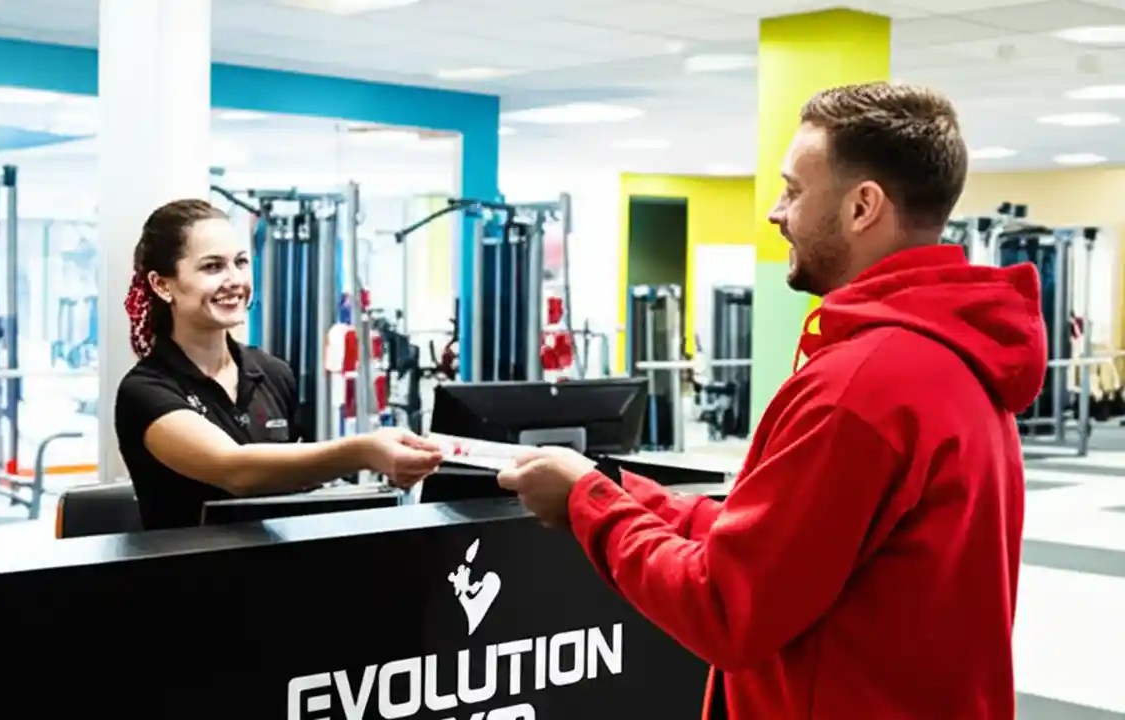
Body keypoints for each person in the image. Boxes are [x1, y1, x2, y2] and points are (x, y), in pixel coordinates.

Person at [497, 82, 1047, 719]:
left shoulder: (862, 388)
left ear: (862, 207)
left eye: (792, 190)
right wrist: (616, 489)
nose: (775, 212)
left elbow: (725, 607)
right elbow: (777, 551)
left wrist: (588, 508)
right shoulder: (957, 358)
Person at [114, 199, 443, 530]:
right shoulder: (146, 391)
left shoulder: (272, 373)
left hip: (276, 570)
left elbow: (291, 481)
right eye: (212, 267)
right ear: (162, 285)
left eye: (240, 262)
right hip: (189, 575)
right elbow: (236, 471)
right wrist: (364, 450)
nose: (234, 280)